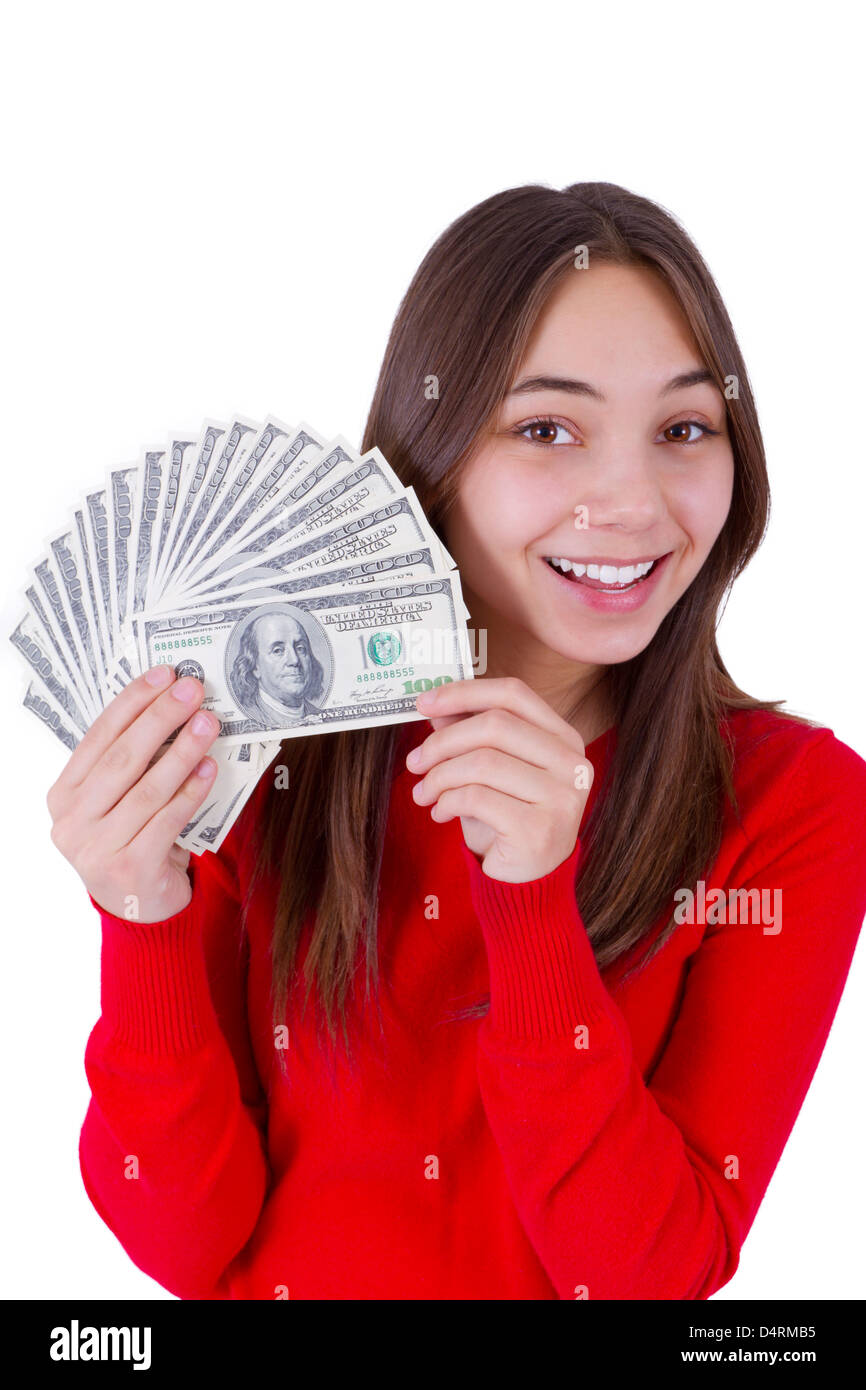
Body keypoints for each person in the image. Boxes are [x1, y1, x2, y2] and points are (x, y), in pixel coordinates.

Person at [47, 182, 866, 1300]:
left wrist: (532, 899)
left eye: (683, 428)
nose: (627, 502)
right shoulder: (261, 745)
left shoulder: (795, 801)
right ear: (430, 454)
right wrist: (141, 914)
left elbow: (650, 1275)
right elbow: (182, 1243)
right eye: (544, 428)